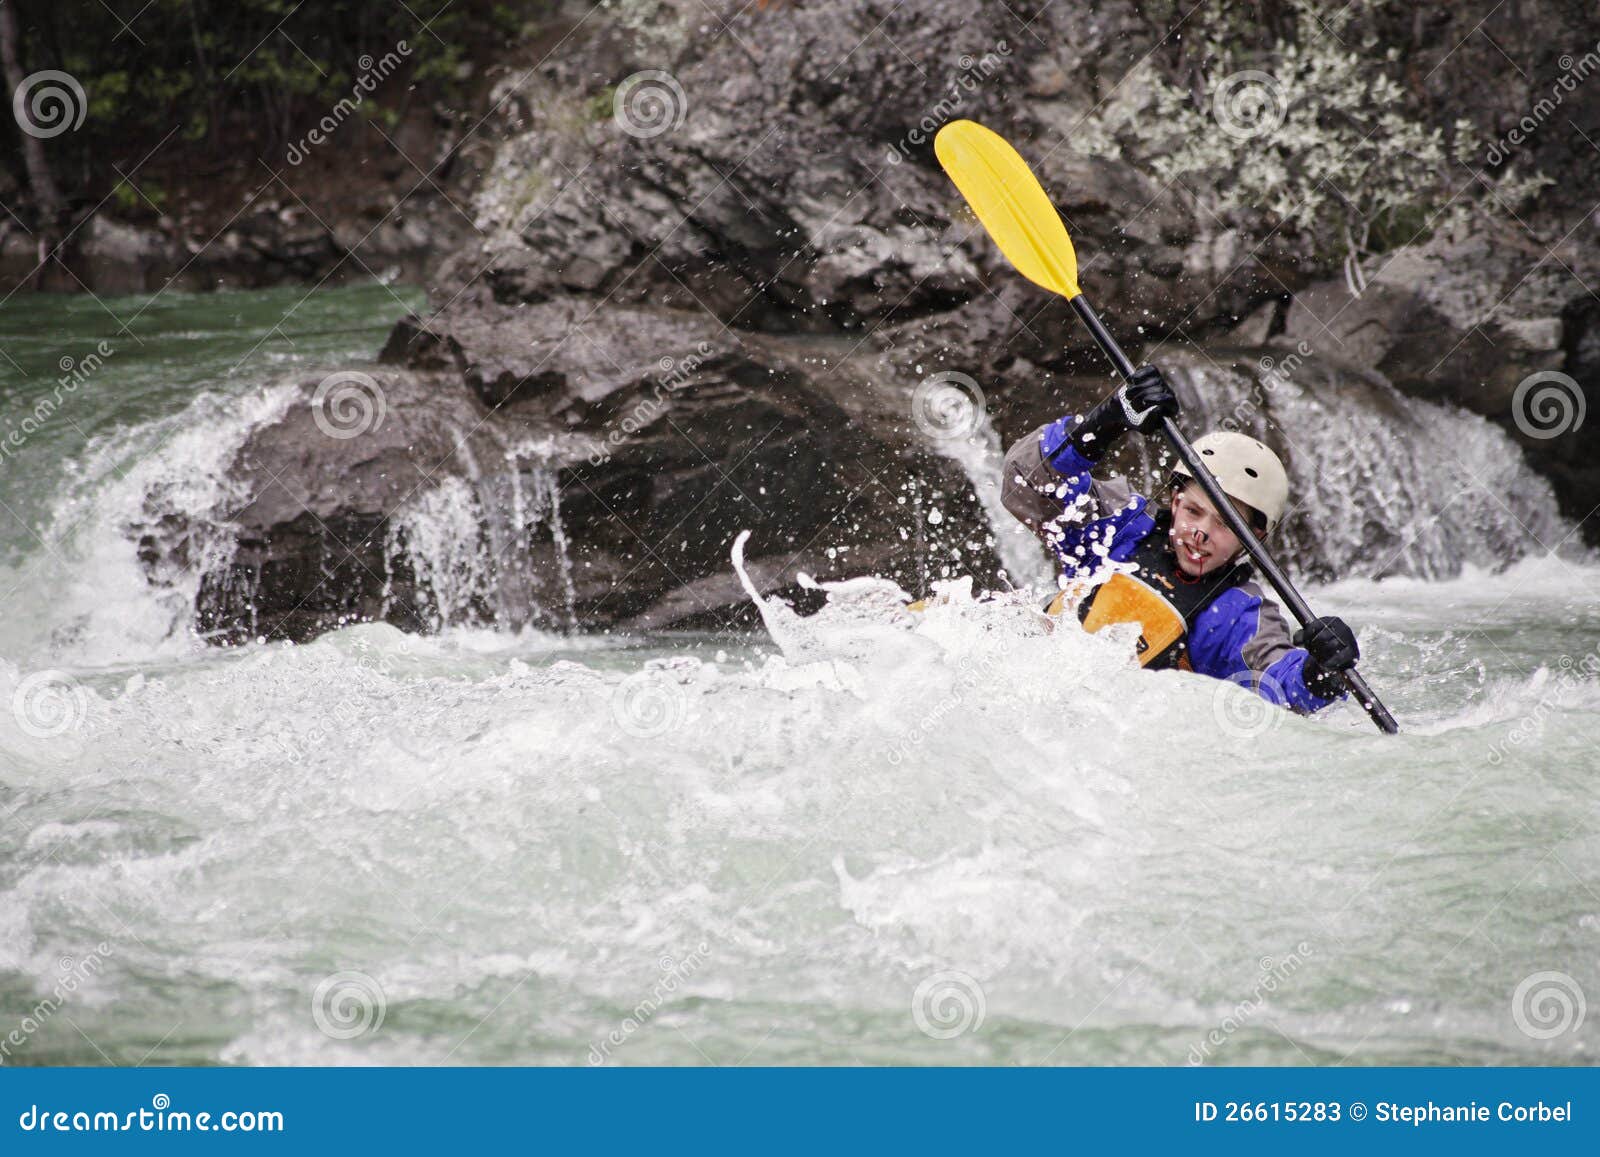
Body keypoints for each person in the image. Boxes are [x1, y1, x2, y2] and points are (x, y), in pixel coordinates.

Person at [1000, 365, 1359, 712]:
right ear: (1174, 502)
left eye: (1224, 524)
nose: (1200, 532)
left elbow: (1280, 687)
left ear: (1254, 538)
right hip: (1023, 688)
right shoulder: (1119, 529)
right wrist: (1105, 423)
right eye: (1192, 511)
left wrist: (1320, 671)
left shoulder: (1238, 614)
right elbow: (1027, 482)